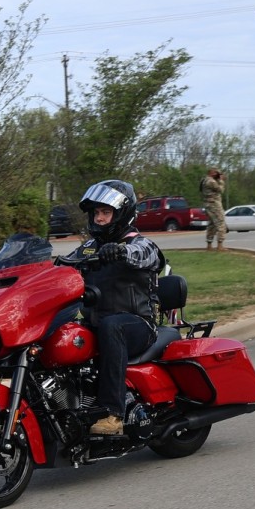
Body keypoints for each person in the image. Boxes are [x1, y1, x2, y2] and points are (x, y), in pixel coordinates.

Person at [70, 180, 166, 437]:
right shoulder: (89, 247)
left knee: (112, 326)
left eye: (106, 212)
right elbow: (63, 267)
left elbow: (146, 255)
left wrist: (121, 252)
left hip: (137, 325)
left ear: (121, 214)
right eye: (96, 213)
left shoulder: (139, 243)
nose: (100, 218)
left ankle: (112, 413)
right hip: (98, 322)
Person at [201, 167, 227, 250]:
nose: (217, 175)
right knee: (221, 223)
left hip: (209, 204)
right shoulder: (211, 181)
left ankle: (209, 245)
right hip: (214, 205)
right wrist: (221, 180)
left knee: (211, 225)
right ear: (211, 172)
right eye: (216, 173)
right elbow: (220, 190)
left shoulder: (204, 180)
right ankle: (220, 245)